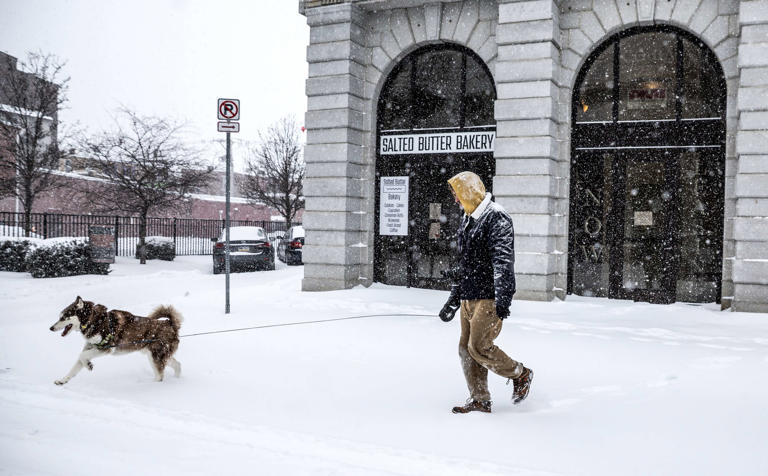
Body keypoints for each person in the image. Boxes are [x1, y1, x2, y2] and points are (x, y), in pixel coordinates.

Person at [439, 171, 533, 413]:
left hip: (489, 296)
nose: (456, 201)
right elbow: (466, 263)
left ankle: (520, 374)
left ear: (470, 191)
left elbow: (503, 262)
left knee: (479, 346)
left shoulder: (497, 217)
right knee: (465, 349)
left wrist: (503, 300)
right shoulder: (468, 218)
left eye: (458, 195)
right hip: (468, 295)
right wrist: (454, 297)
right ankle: (480, 399)